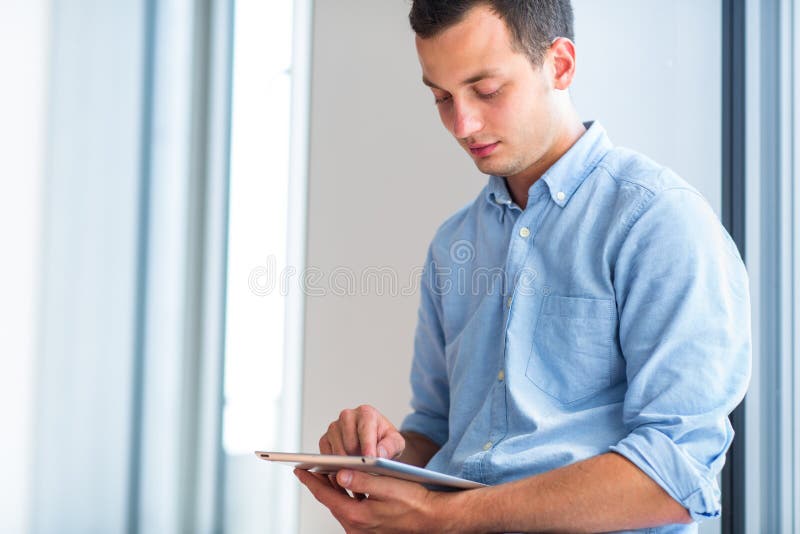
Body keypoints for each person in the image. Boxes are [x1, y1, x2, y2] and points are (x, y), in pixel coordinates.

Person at [294, 1, 751, 532]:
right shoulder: (454, 245)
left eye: (486, 91)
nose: (462, 123)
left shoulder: (658, 220)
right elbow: (439, 432)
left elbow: (677, 475)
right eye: (441, 97)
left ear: (559, 65)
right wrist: (385, 451)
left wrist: (447, 517)